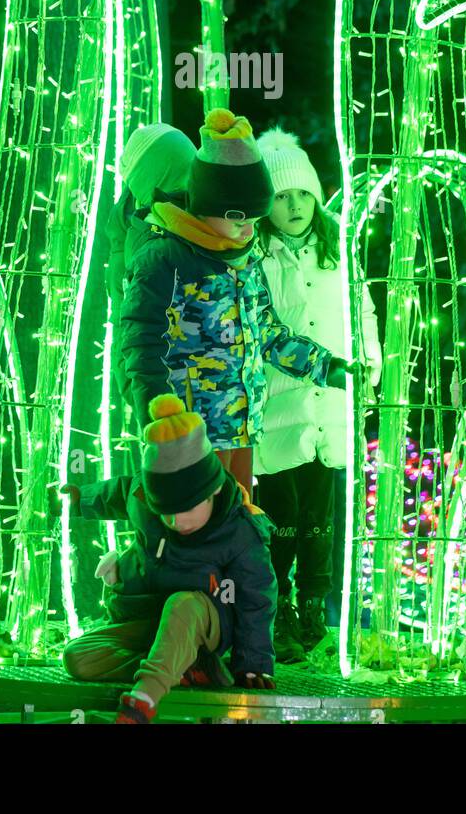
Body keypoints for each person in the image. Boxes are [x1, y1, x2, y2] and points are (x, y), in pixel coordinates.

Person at [116, 108, 342, 496]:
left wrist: (324, 365)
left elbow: (268, 333)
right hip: (193, 435)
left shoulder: (245, 259)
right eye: (239, 218)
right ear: (206, 206)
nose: (249, 230)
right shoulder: (165, 258)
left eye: (255, 219)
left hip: (243, 428)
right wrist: (161, 421)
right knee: (201, 537)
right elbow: (141, 347)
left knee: (241, 531)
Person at [61, 393, 278, 724]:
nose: (178, 523)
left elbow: (255, 598)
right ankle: (185, 669)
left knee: (182, 604)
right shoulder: (142, 495)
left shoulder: (239, 530)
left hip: (202, 620)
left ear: (213, 490)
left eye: (187, 510)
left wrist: (253, 663)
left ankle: (140, 703)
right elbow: (115, 493)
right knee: (78, 658)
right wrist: (79, 499)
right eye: (167, 513)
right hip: (150, 619)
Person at [253, 128, 381, 661]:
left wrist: (369, 367)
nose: (295, 205)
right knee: (281, 516)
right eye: (282, 196)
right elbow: (258, 329)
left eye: (303, 193)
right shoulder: (257, 256)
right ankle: (276, 604)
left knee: (321, 521)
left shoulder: (336, 254)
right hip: (278, 408)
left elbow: (364, 313)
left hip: (332, 407)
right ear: (267, 204)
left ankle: (314, 605)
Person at [106, 124, 196, 408]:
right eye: (184, 172)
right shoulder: (150, 241)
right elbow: (135, 334)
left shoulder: (180, 224)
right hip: (175, 403)